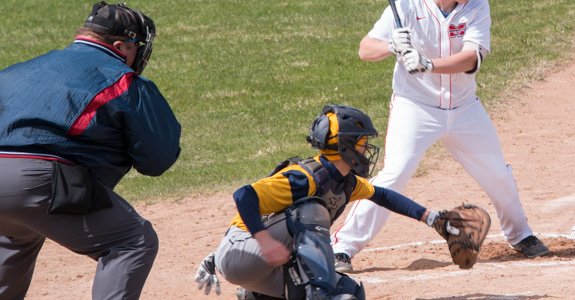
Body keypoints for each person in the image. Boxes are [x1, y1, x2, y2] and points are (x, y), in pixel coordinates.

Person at [331, 0, 549, 272]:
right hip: (415, 106)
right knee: (394, 175)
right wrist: (390, 44)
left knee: (498, 175)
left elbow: (471, 58)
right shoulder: (406, 6)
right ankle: (343, 247)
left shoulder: (477, 6)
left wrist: (429, 63)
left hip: (464, 109)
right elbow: (365, 49)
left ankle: (521, 236)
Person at [0, 1, 181, 300]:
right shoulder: (123, 81)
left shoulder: (26, 67)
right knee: (132, 240)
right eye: (136, 46)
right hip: (35, 181)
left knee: (19, 234)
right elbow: (157, 159)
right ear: (121, 46)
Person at [196, 104, 460, 300]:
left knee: (350, 293)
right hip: (242, 253)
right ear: (345, 145)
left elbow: (382, 195)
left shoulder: (344, 182)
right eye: (361, 143)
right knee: (311, 211)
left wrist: (432, 217)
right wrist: (262, 241)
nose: (365, 150)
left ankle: (255, 296)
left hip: (266, 269)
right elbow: (244, 196)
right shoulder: (303, 178)